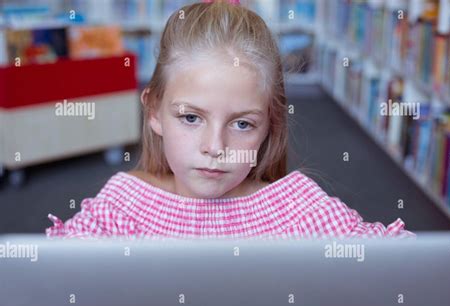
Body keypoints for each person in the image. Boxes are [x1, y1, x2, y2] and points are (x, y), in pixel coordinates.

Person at [46, 0, 414, 240]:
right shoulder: (120, 209)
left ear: (270, 125)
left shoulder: (300, 212)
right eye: (191, 117)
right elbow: (43, 288)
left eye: (242, 124)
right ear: (154, 111)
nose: (214, 148)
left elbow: (421, 280)